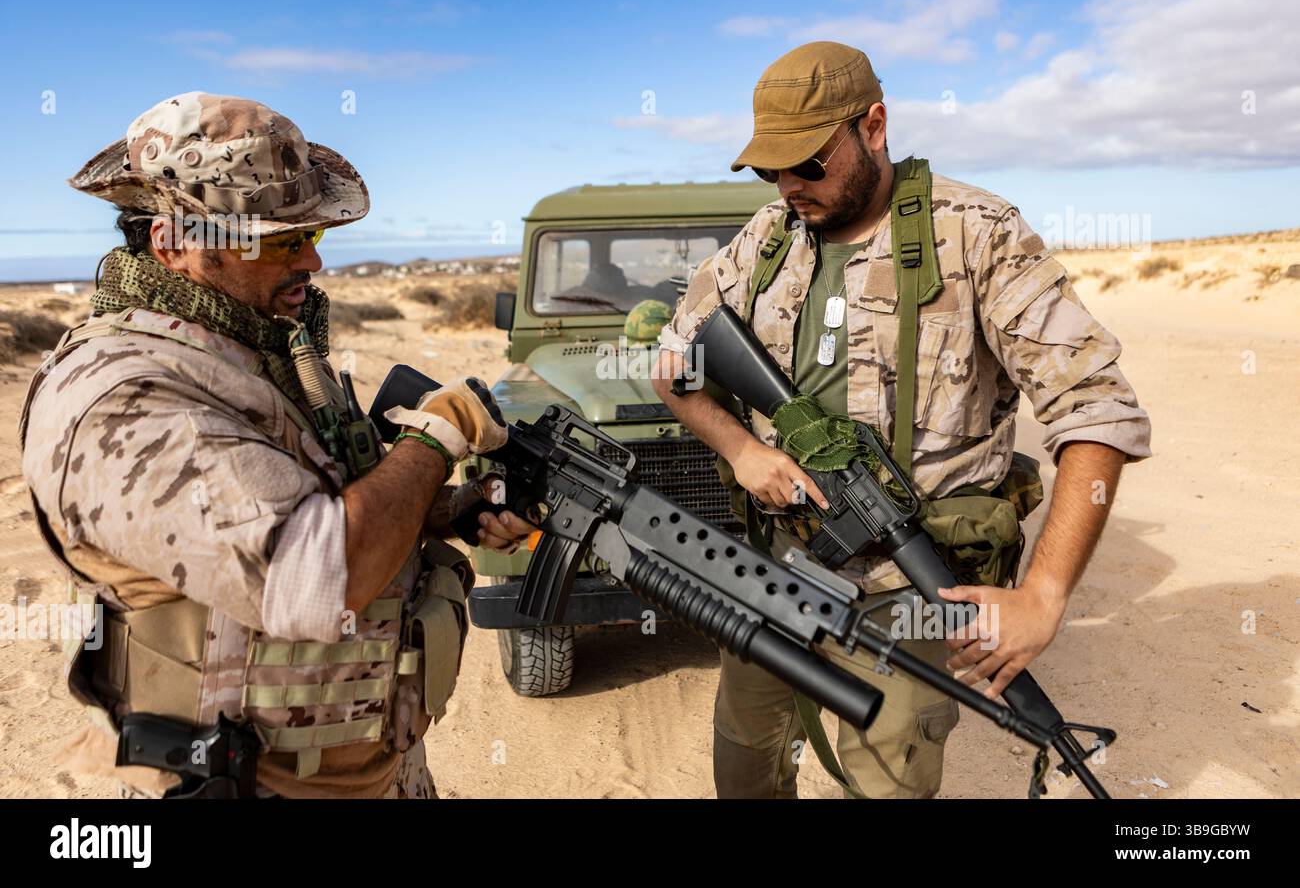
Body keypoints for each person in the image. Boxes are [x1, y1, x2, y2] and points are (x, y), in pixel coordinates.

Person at [653, 42, 1152, 798]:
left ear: (874, 127)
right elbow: (673, 363)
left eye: (809, 163)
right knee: (745, 772)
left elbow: (1099, 410)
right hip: (766, 572)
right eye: (770, 169)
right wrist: (743, 448)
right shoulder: (767, 239)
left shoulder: (975, 234)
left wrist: (1044, 597)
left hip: (905, 599)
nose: (789, 186)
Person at [20, 91, 533, 798]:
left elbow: (322, 496)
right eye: (283, 241)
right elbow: (318, 577)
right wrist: (435, 440)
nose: (314, 261)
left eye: (315, 236)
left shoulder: (255, 349)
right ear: (174, 244)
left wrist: (447, 508)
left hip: (361, 772)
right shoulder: (125, 396)